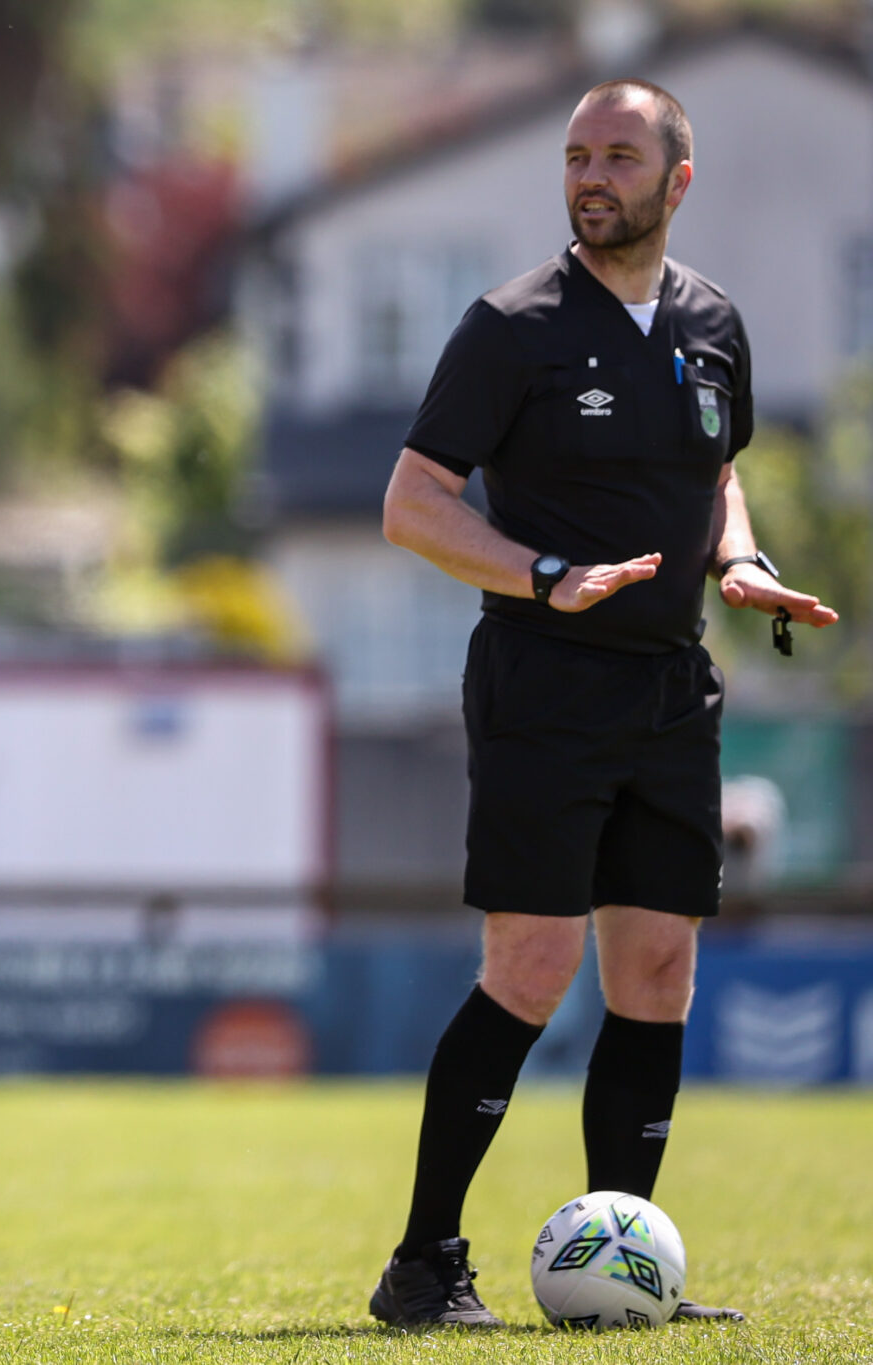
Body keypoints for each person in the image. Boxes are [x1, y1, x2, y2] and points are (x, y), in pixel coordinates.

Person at [368, 78, 836, 1328]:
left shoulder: (712, 324)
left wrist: (738, 562)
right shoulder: (509, 325)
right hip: (541, 679)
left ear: (676, 180)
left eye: (618, 157)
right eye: (577, 155)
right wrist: (540, 574)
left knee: (658, 969)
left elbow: (714, 475)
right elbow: (411, 505)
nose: (591, 175)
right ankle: (421, 1266)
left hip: (670, 684)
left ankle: (625, 1262)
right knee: (528, 966)